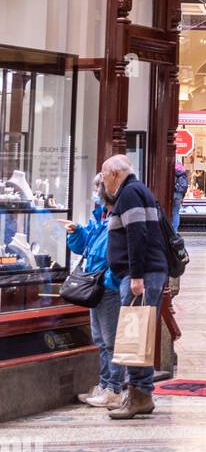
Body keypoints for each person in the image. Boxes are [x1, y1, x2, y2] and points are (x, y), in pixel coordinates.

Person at [102, 154, 169, 420]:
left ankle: (140, 395)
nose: (103, 181)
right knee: (137, 333)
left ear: (115, 174)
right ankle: (139, 394)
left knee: (135, 333)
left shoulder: (129, 193)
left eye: (104, 174)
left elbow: (137, 234)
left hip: (141, 274)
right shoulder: (139, 190)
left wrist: (137, 275)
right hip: (144, 271)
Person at [66, 175, 124, 409]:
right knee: (101, 339)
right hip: (95, 285)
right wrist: (76, 231)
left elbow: (113, 253)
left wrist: (108, 275)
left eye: (96, 189)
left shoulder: (116, 219)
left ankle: (114, 388)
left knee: (111, 341)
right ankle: (104, 384)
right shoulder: (100, 217)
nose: (94, 194)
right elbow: (85, 245)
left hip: (108, 286)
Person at [171, 164, 189, 232]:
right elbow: (185, 188)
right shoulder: (184, 176)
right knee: (176, 212)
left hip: (173, 194)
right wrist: (182, 197)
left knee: (171, 212)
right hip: (179, 195)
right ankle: (175, 230)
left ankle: (170, 229)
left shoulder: (174, 174)